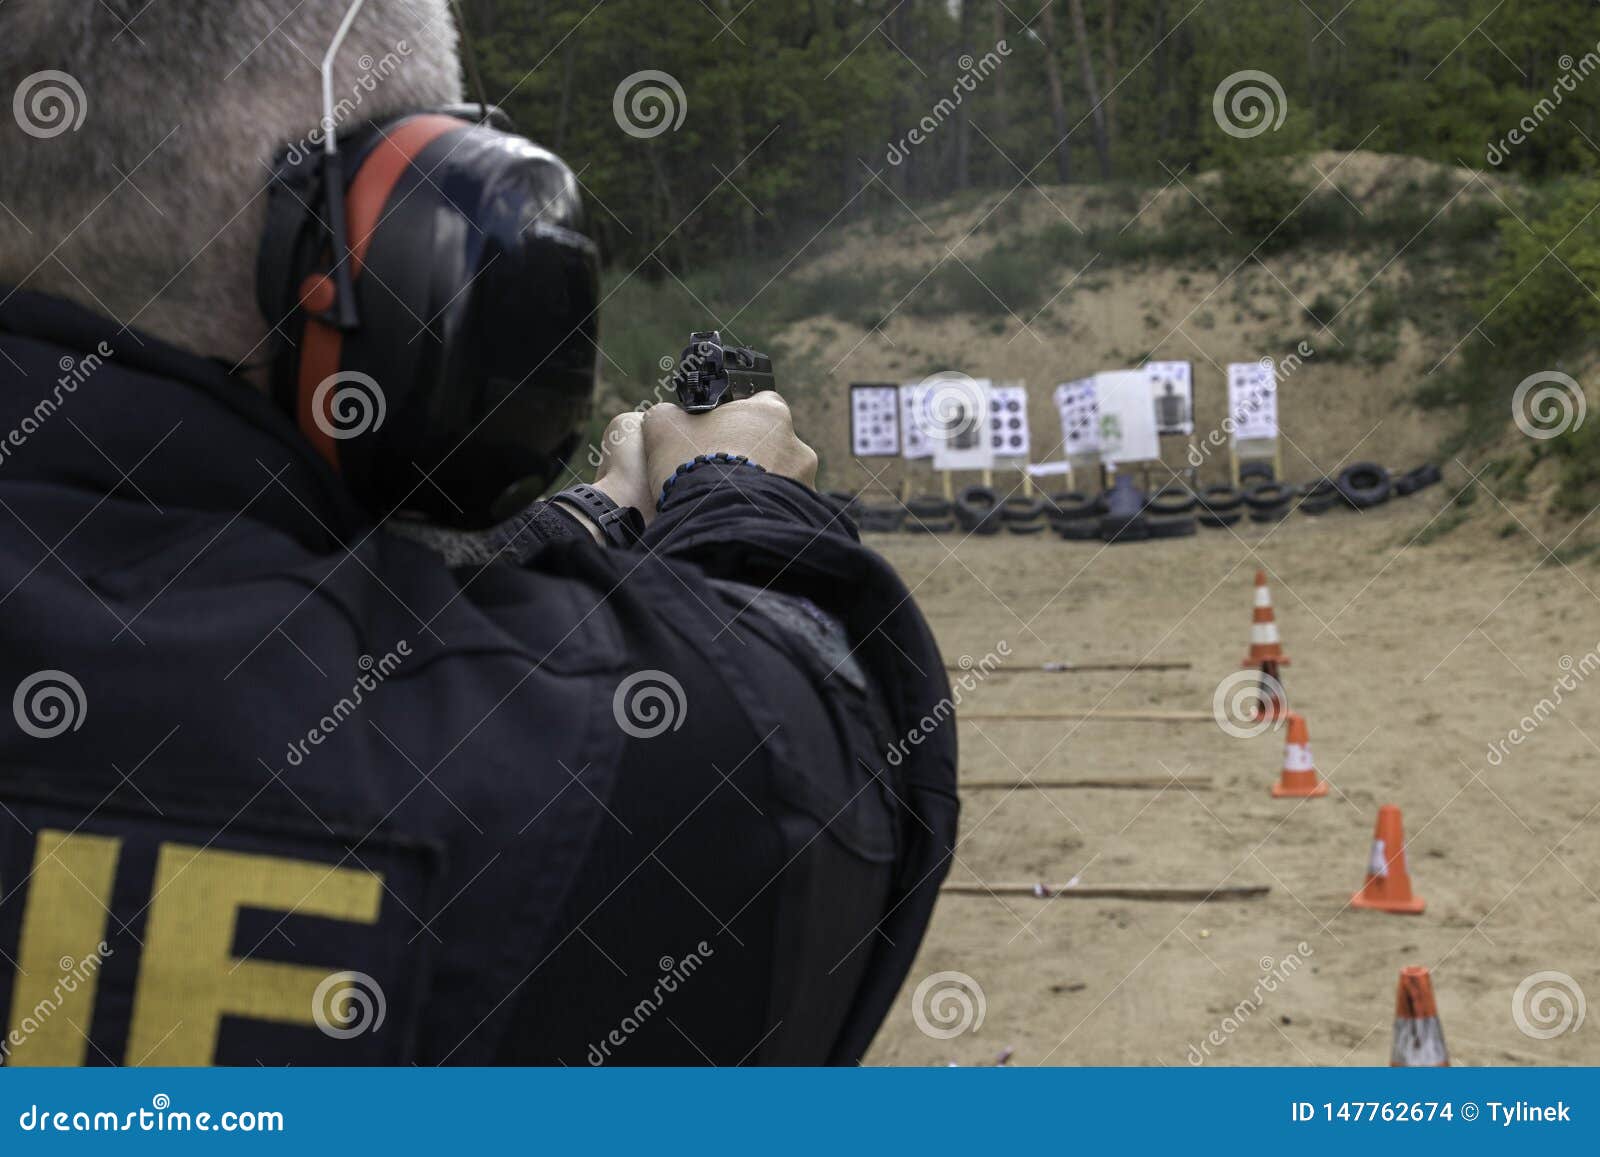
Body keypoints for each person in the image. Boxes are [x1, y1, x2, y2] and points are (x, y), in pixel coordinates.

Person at [0, 1, 955, 1065]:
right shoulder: (543, 781)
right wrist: (736, 493)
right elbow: (808, 751)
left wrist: (591, 521)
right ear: (389, 225)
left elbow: (326, 619)